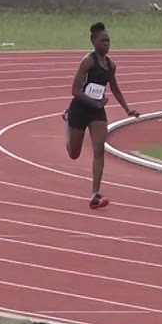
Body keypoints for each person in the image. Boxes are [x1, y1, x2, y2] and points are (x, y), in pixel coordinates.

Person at [61, 22, 140, 210]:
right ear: (93, 41)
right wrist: (94, 102)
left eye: (108, 41)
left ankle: (95, 194)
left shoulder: (111, 66)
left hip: (97, 112)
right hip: (80, 109)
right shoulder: (88, 62)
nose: (107, 44)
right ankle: (67, 120)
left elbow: (115, 89)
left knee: (99, 150)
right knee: (74, 153)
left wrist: (127, 109)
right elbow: (75, 90)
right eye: (103, 40)